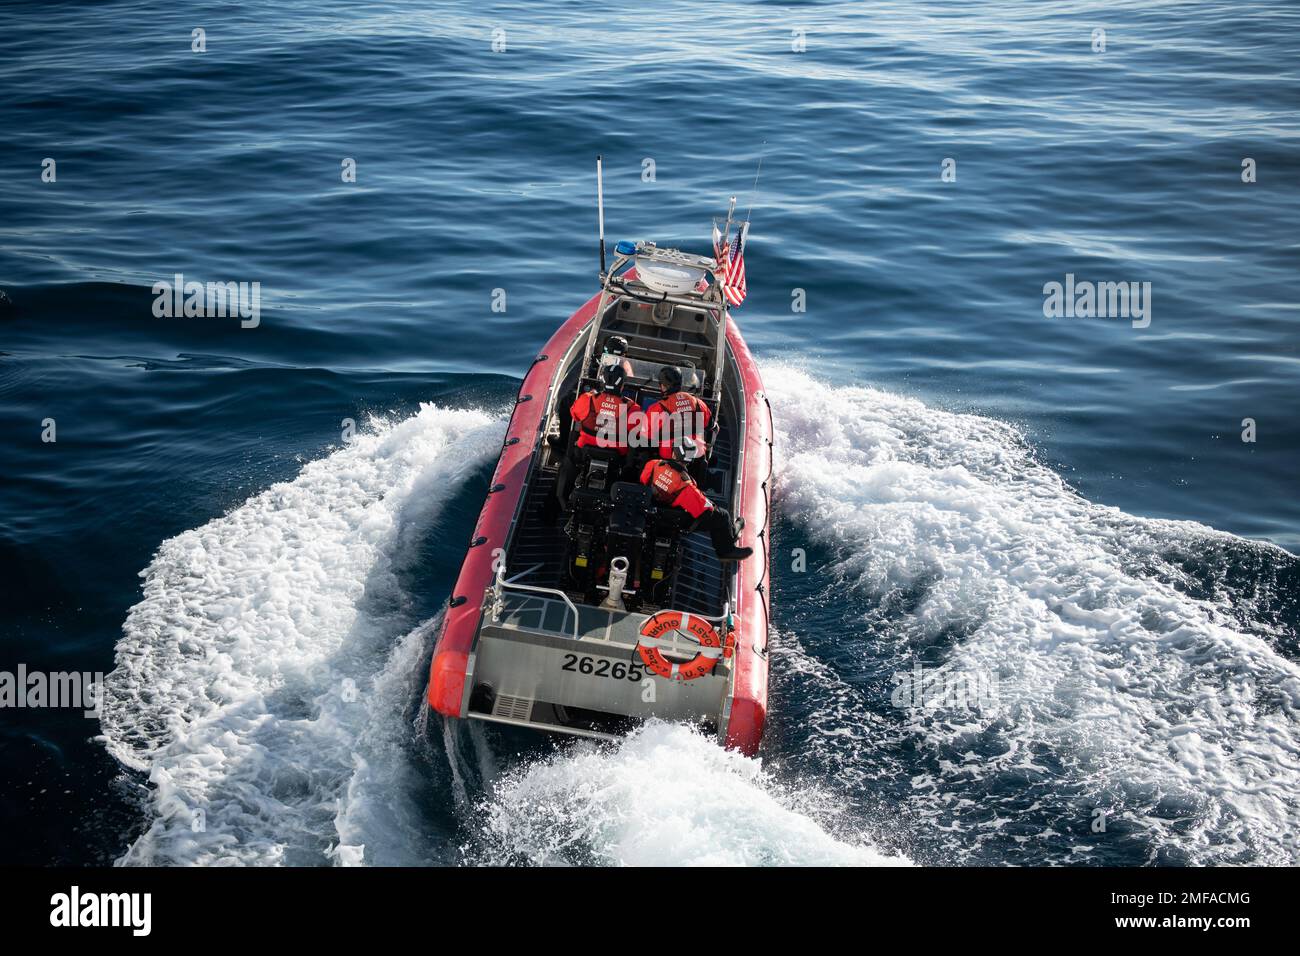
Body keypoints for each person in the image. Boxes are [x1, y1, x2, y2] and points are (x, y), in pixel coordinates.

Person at [551, 362, 640, 519]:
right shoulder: (633, 408)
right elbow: (637, 436)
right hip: (616, 457)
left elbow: (574, 415)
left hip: (584, 452)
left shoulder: (587, 399)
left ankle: (550, 512)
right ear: (623, 385)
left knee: (564, 469)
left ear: (602, 380)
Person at [640, 438, 752, 562]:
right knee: (722, 516)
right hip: (673, 519)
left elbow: (643, 481)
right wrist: (711, 505)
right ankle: (726, 550)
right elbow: (705, 510)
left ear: (673, 453)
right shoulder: (685, 484)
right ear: (690, 459)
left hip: (649, 513)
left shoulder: (653, 464)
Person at [646, 366, 710, 460]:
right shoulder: (698, 403)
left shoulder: (657, 408)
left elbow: (646, 438)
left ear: (663, 386)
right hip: (697, 458)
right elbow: (713, 427)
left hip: (669, 459)